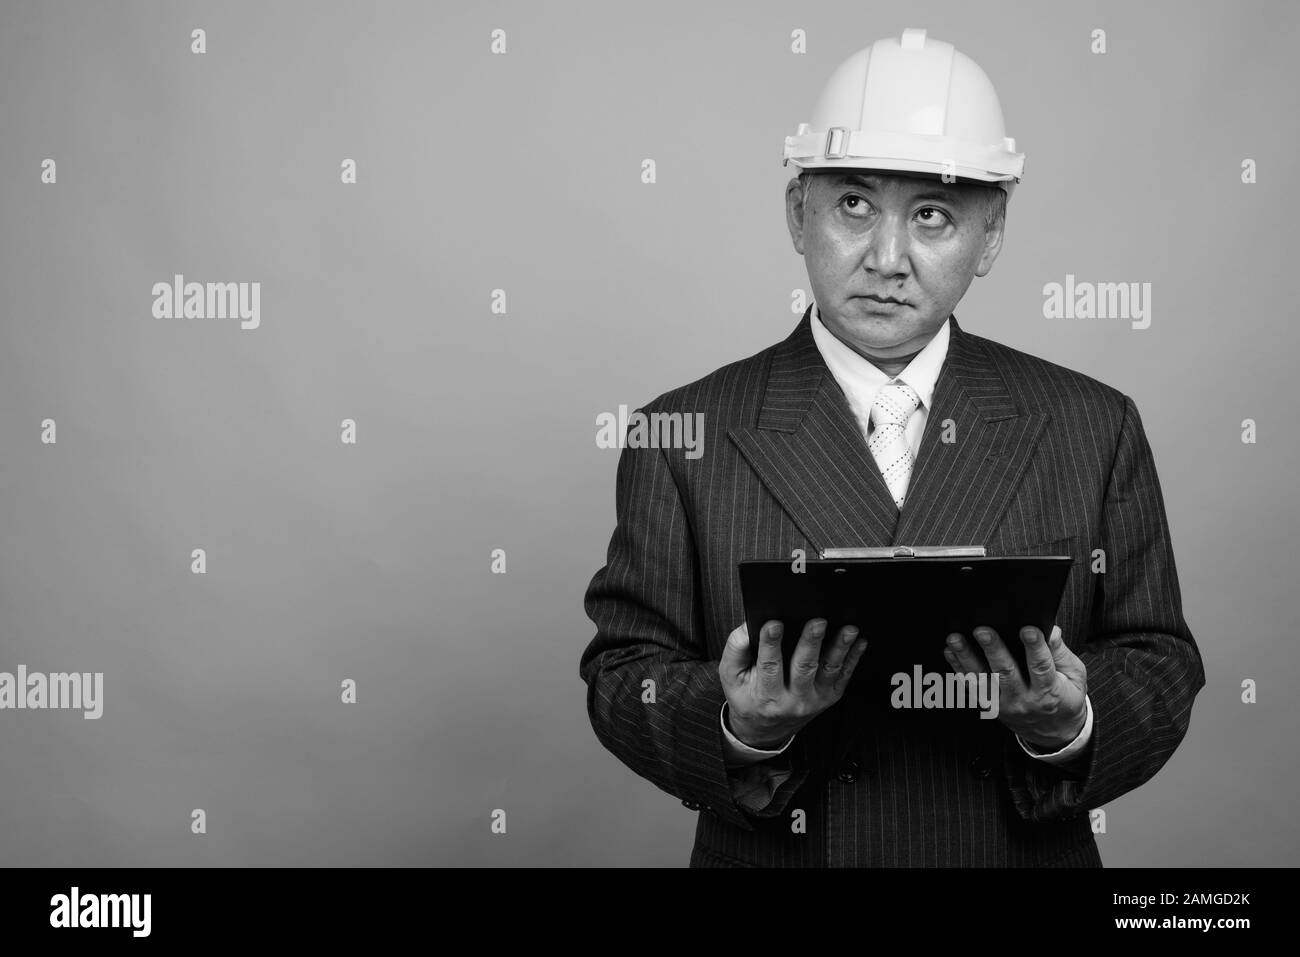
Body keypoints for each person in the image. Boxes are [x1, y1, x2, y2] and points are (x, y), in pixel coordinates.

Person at [579, 28, 1204, 867]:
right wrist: (741, 722)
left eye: (933, 216)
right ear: (799, 212)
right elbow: (624, 673)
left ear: (991, 236)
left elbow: (1160, 659)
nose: (886, 259)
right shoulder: (681, 434)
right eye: (854, 206)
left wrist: (1069, 721)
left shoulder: (1093, 425)